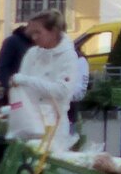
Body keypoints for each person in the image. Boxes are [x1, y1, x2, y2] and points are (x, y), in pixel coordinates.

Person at [5, 12, 84, 147]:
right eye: (31, 34)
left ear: (53, 31)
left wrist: (25, 80)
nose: (34, 38)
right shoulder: (31, 54)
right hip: (29, 123)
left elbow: (61, 91)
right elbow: (21, 90)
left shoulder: (69, 56)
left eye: (38, 32)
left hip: (55, 127)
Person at [0, 22, 33, 96]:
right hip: (16, 90)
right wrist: (10, 86)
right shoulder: (12, 41)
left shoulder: (41, 44)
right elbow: (3, 67)